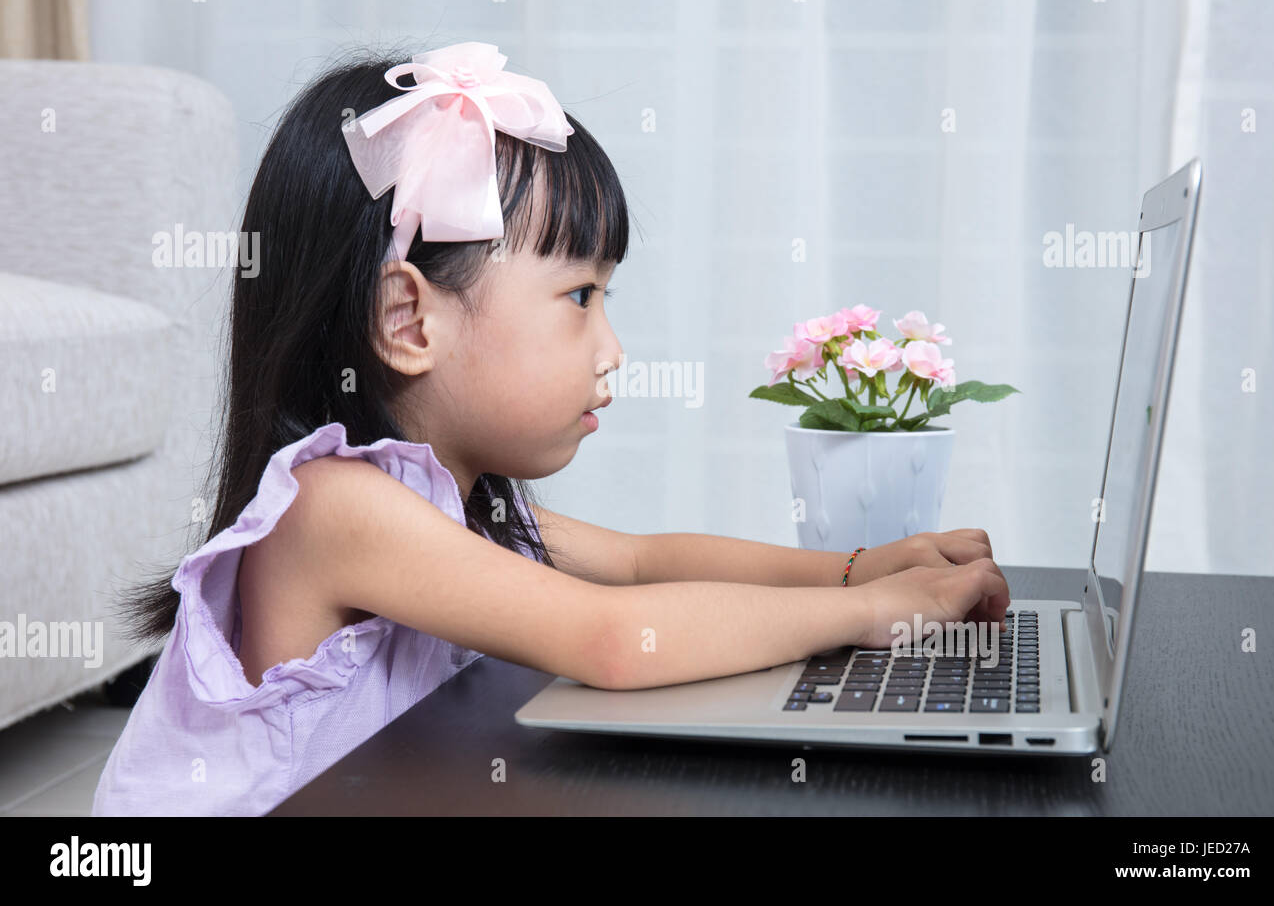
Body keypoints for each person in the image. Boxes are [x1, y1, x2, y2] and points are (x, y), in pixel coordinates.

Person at [93, 41, 1008, 816]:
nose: (611, 349)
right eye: (579, 296)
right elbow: (613, 634)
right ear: (409, 322)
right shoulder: (332, 509)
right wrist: (875, 614)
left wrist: (861, 567)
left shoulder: (451, 503)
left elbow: (647, 562)